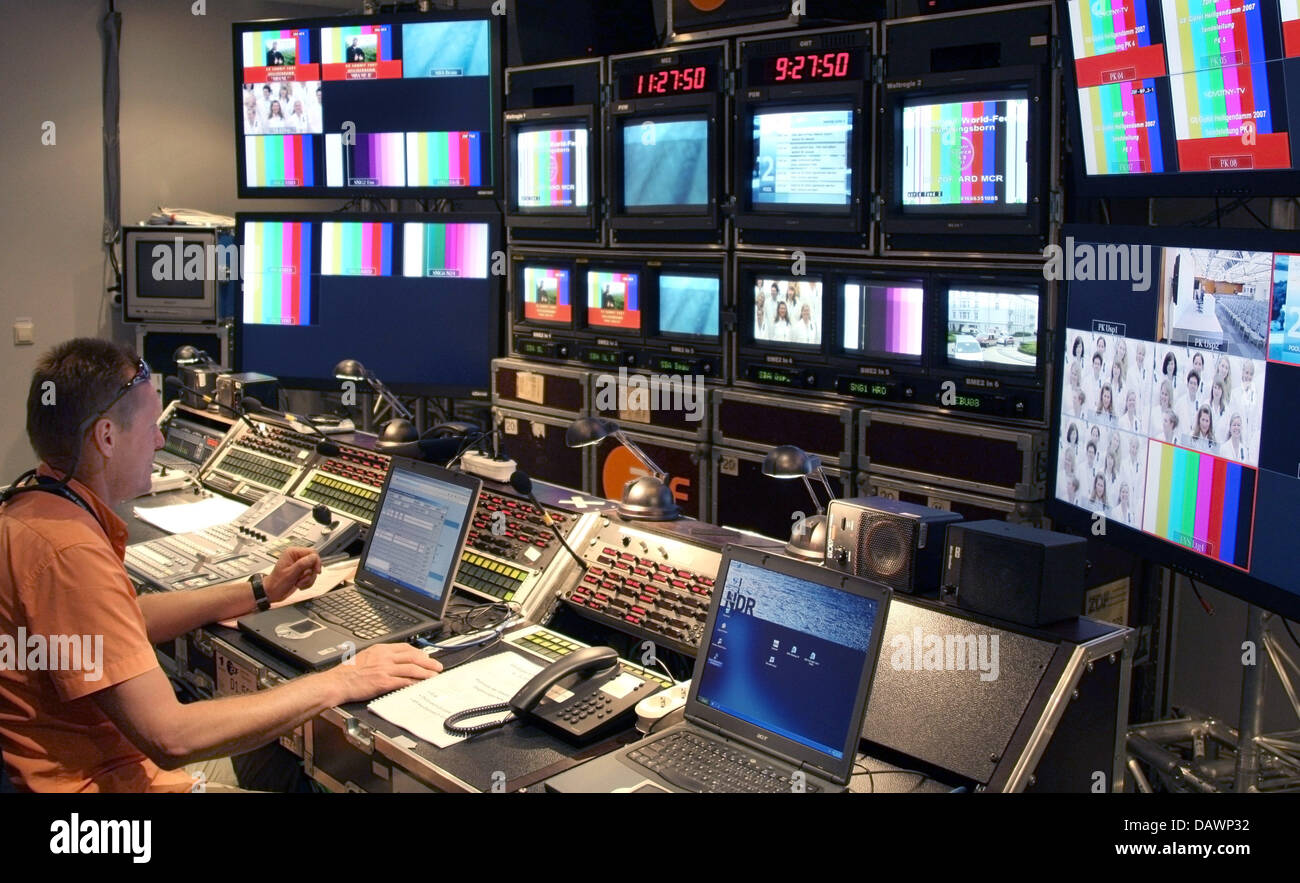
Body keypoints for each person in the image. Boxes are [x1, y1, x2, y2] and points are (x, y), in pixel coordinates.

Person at [0, 339, 441, 792]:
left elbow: (126, 618)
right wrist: (343, 679)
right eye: (151, 426)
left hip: (110, 765)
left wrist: (261, 590)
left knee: (279, 755)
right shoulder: (70, 556)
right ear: (107, 437)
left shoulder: (35, 509)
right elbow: (170, 736)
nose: (159, 439)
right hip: (112, 788)